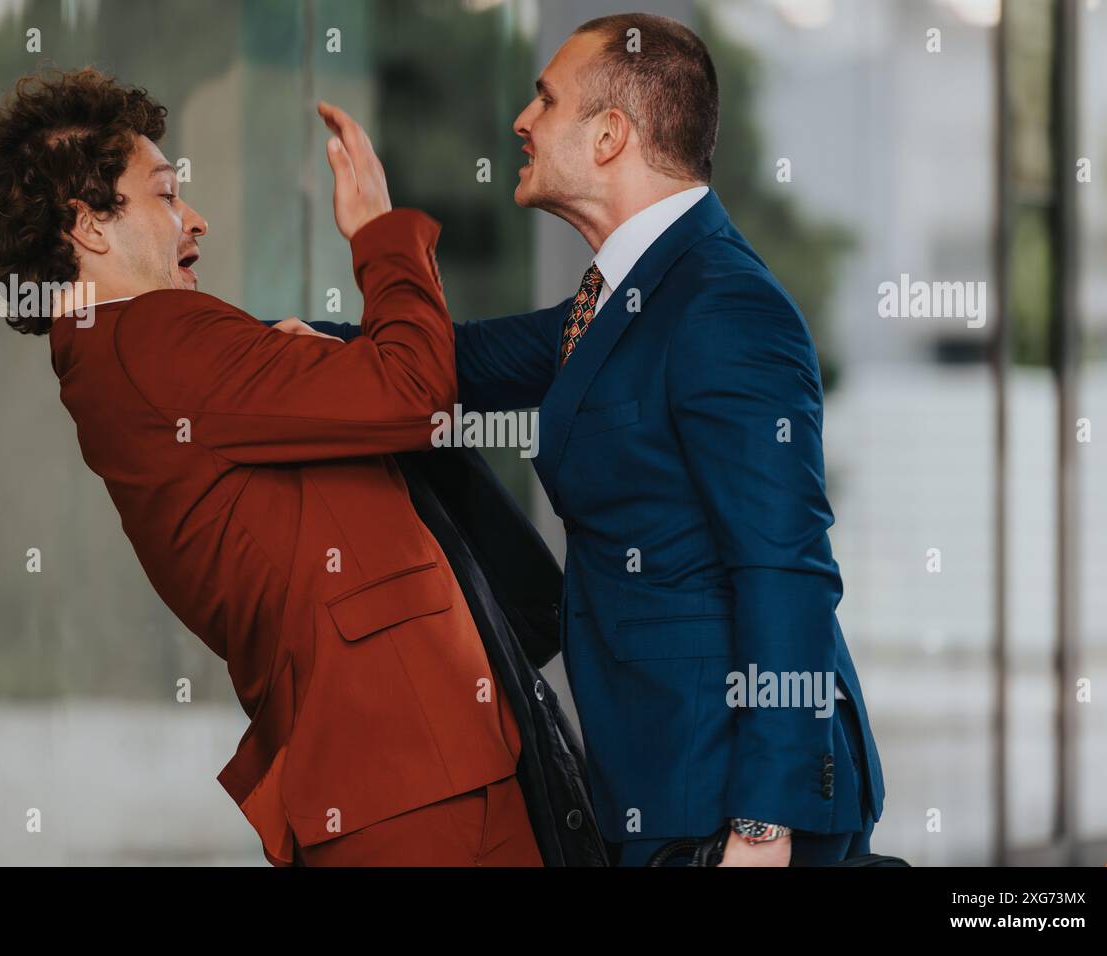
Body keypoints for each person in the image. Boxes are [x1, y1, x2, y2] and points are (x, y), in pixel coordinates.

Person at [291, 13, 886, 866]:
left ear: (610, 136)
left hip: (726, 801)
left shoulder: (724, 304)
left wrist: (764, 826)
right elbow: (445, 365)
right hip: (656, 780)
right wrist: (284, 344)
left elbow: (785, 570)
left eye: (544, 99)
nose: (521, 122)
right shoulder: (617, 297)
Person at [0, 68, 544, 866]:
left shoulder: (116, 360)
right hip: (412, 781)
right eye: (164, 195)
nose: (194, 218)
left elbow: (390, 393)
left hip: (409, 771)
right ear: (89, 226)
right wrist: (377, 231)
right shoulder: (152, 338)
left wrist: (308, 371)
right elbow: (413, 391)